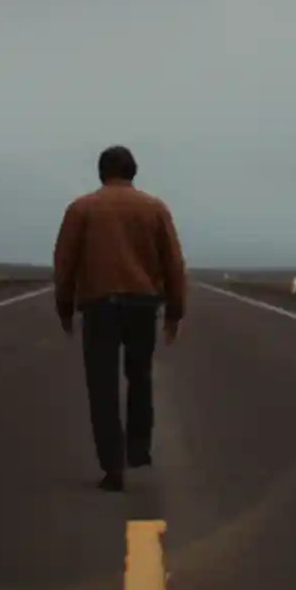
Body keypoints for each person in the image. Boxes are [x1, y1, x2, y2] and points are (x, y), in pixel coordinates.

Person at [52, 145, 187, 492]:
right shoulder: (155, 208)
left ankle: (112, 467)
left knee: (103, 386)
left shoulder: (82, 209)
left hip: (99, 306)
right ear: (133, 171)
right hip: (143, 304)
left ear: (101, 172)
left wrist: (64, 307)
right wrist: (175, 311)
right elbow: (174, 262)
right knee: (140, 376)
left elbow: (64, 263)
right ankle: (138, 449)